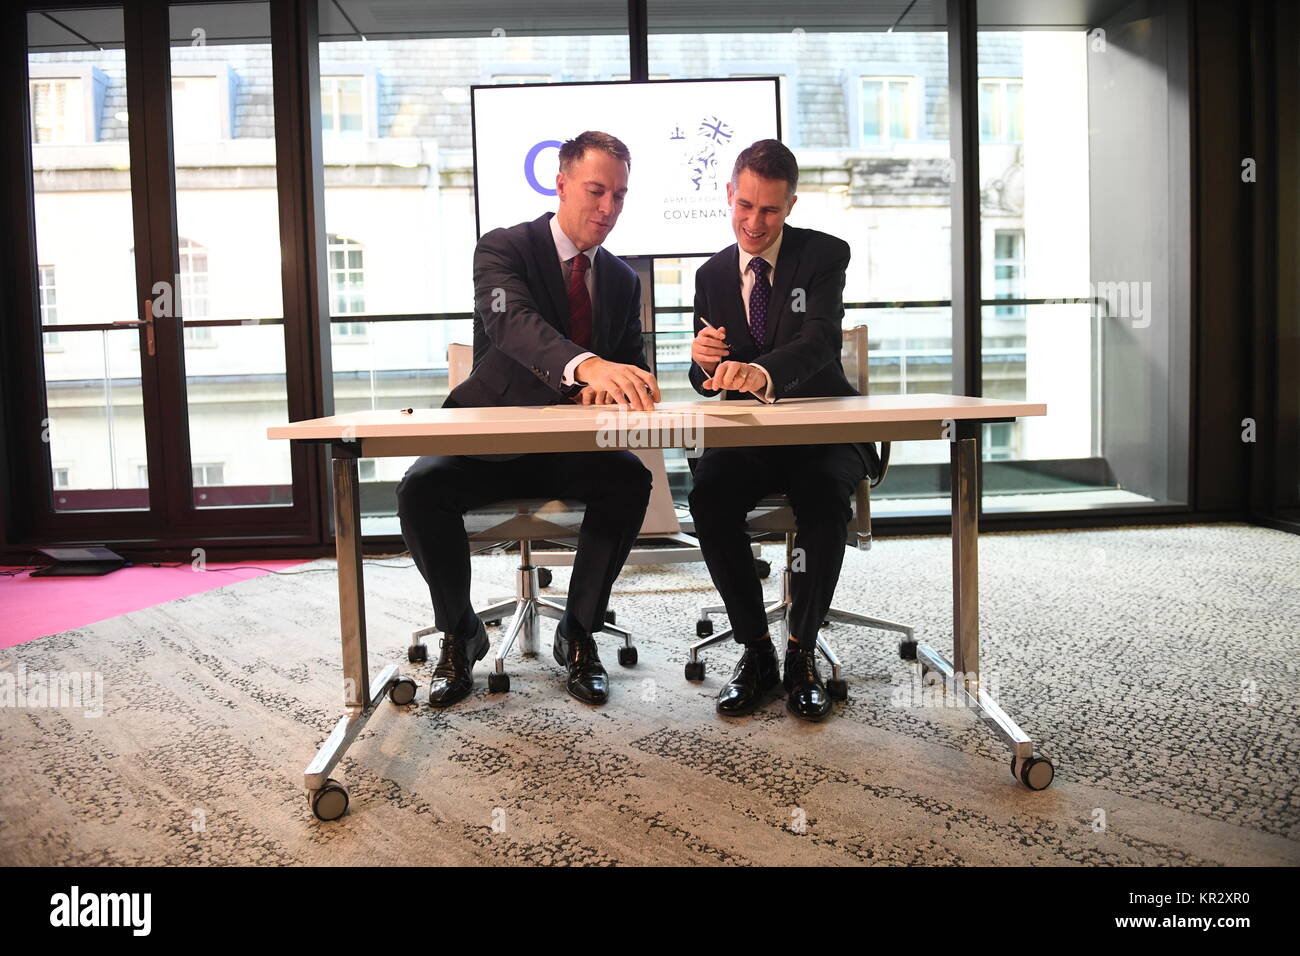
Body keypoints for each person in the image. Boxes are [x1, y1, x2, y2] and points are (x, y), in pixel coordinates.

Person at [396, 130, 660, 708]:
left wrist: (623, 386)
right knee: (419, 490)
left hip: (568, 449)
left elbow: (631, 366)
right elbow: (511, 324)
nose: (608, 208)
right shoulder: (502, 249)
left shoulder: (620, 279)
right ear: (561, 183)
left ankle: (580, 631)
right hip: (491, 437)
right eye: (596, 191)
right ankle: (459, 632)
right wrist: (585, 366)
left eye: (619, 195)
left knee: (629, 480)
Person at [687, 138, 881, 722]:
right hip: (748, 437)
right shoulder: (712, 273)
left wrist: (762, 371)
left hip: (822, 426)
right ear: (729, 195)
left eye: (769, 210)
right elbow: (706, 380)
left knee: (823, 502)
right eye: (744, 206)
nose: (753, 221)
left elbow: (819, 341)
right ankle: (757, 650)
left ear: (790, 205)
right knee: (708, 500)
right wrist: (701, 363)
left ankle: (801, 653)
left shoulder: (823, 256)